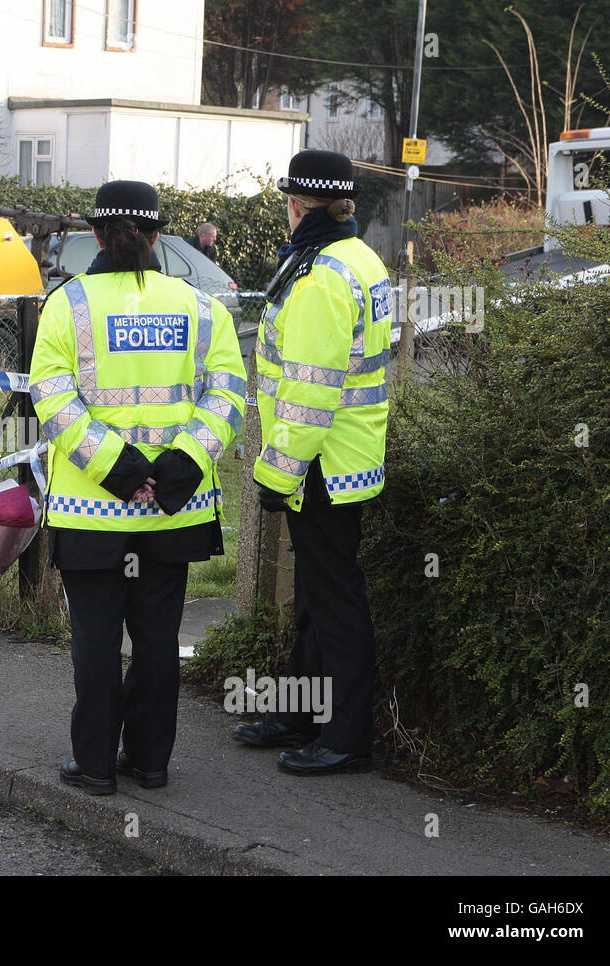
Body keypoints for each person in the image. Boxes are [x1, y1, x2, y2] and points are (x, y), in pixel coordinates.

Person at [30, 180, 246, 795]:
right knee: (156, 642)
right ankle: (151, 762)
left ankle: (95, 766)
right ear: (157, 235)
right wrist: (180, 466)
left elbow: (52, 399)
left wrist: (119, 470)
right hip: (173, 513)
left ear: (96, 235)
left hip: (92, 512)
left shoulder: (67, 305)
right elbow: (228, 394)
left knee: (96, 644)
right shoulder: (200, 306)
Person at [232, 149, 392, 775]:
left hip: (320, 461)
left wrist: (277, 473)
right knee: (314, 598)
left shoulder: (321, 272)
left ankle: (348, 736)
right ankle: (300, 713)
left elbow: (310, 389)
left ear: (296, 205)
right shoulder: (359, 256)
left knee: (335, 600)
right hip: (346, 455)